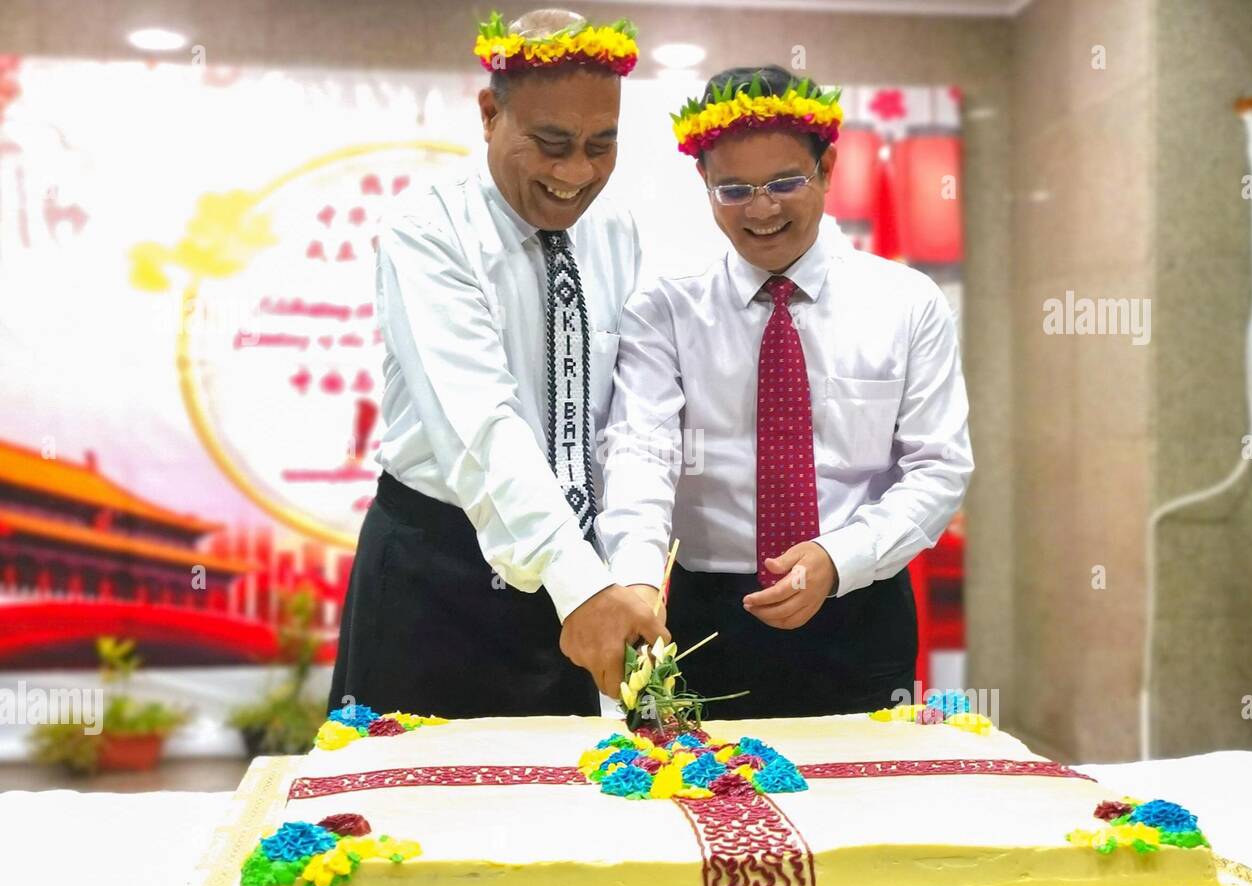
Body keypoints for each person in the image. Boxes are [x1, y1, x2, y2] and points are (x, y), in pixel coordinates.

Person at [597, 66, 973, 718]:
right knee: (690, 798)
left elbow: (938, 469)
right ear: (705, 185)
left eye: (784, 183)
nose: (762, 209)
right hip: (705, 618)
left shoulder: (906, 304)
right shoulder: (668, 307)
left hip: (860, 606)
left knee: (866, 805)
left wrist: (839, 557)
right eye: (734, 189)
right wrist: (633, 581)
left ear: (827, 167)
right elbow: (638, 450)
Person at [328, 9, 668, 719]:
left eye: (600, 145)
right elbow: (480, 421)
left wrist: (634, 572)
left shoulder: (615, 231)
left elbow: (635, 414)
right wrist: (577, 582)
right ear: (489, 114)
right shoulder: (429, 230)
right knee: (416, 815)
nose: (576, 173)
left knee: (576, 815)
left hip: (575, 575)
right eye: (550, 144)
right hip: (438, 579)